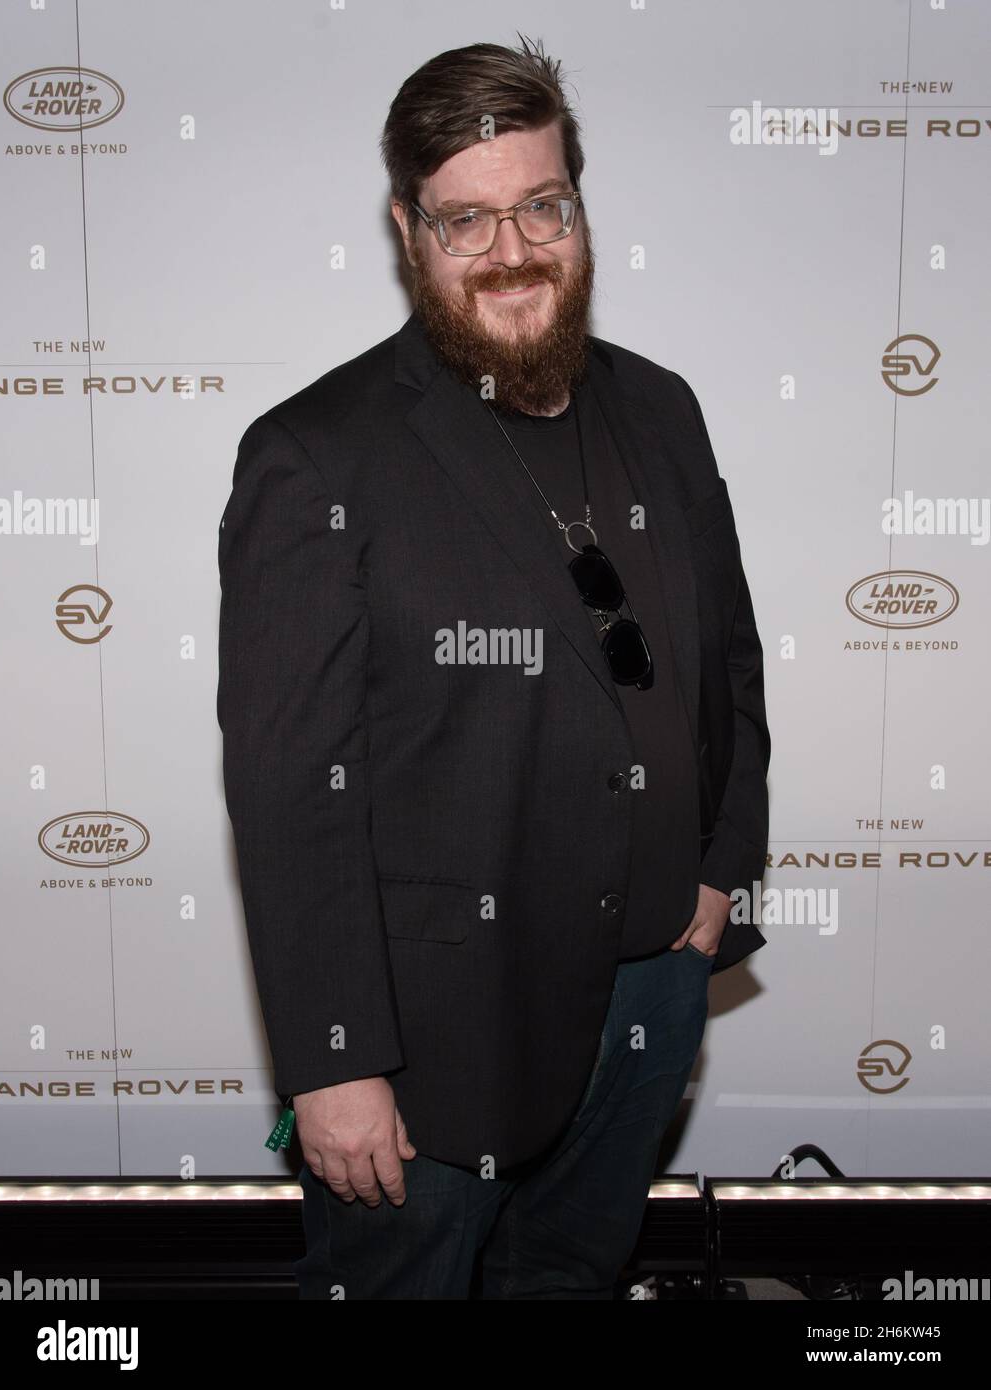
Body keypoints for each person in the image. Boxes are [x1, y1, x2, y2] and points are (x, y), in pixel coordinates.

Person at [216, 34, 770, 1299]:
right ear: (408, 231)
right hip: (433, 1041)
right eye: (467, 222)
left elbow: (725, 660)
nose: (513, 251)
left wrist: (717, 872)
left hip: (648, 992)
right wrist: (335, 1061)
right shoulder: (317, 456)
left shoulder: (662, 410)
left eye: (540, 206)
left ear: (577, 203)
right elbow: (291, 790)